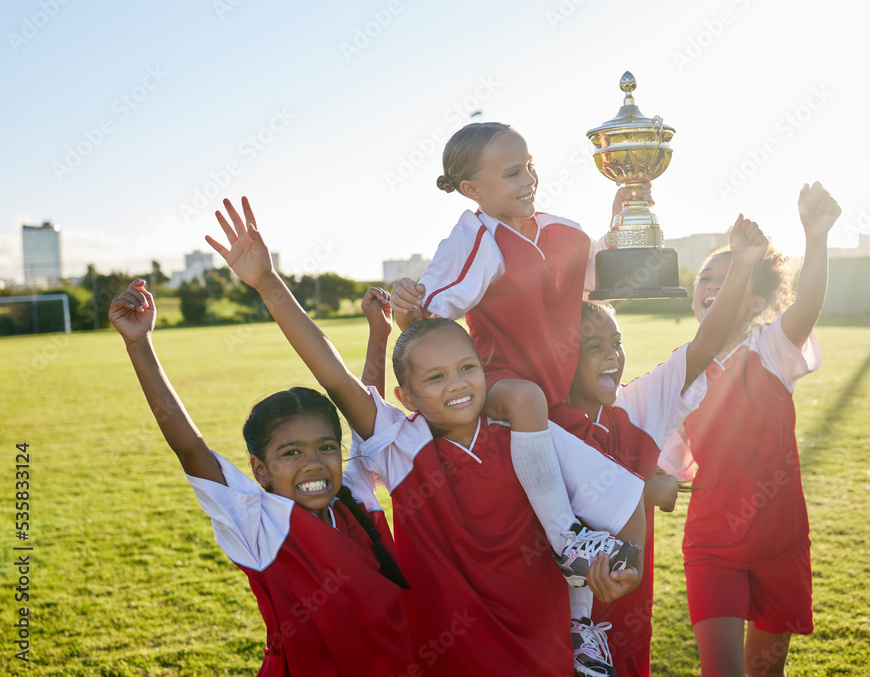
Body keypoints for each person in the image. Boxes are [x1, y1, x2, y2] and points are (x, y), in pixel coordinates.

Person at [206, 196, 647, 677]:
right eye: (434, 378)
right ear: (406, 395)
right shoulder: (401, 447)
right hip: (450, 660)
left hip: (546, 656)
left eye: (466, 368)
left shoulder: (528, 437)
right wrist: (269, 284)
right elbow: (333, 374)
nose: (457, 384)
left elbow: (625, 502)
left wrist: (625, 573)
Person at [390, 122, 649, 675]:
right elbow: (431, 315)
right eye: (511, 172)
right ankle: (565, 541)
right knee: (529, 400)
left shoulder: (564, 231)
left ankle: (580, 626)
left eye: (530, 164)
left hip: (552, 407)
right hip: (496, 390)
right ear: (471, 190)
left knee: (626, 501)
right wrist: (405, 305)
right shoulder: (474, 238)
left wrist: (629, 219)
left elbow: (597, 278)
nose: (529, 178)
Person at [108, 280, 413, 676]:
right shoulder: (259, 522)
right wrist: (139, 344)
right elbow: (190, 448)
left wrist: (379, 332)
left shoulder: (354, 494)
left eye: (325, 447)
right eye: (291, 452)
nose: (313, 463)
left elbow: (364, 404)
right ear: (260, 470)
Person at [551, 216, 769, 676]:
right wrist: (647, 490)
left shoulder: (635, 406)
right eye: (593, 346)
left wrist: (743, 267)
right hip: (552, 629)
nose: (612, 354)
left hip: (627, 624)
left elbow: (703, 346)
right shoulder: (538, 424)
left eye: (617, 342)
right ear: (562, 356)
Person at [673, 182, 841, 677]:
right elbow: (663, 465)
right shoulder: (678, 375)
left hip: (781, 544)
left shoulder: (771, 350)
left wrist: (816, 235)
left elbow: (808, 301)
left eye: (729, 279)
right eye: (706, 276)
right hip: (712, 546)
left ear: (756, 302)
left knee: (766, 672)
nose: (711, 286)